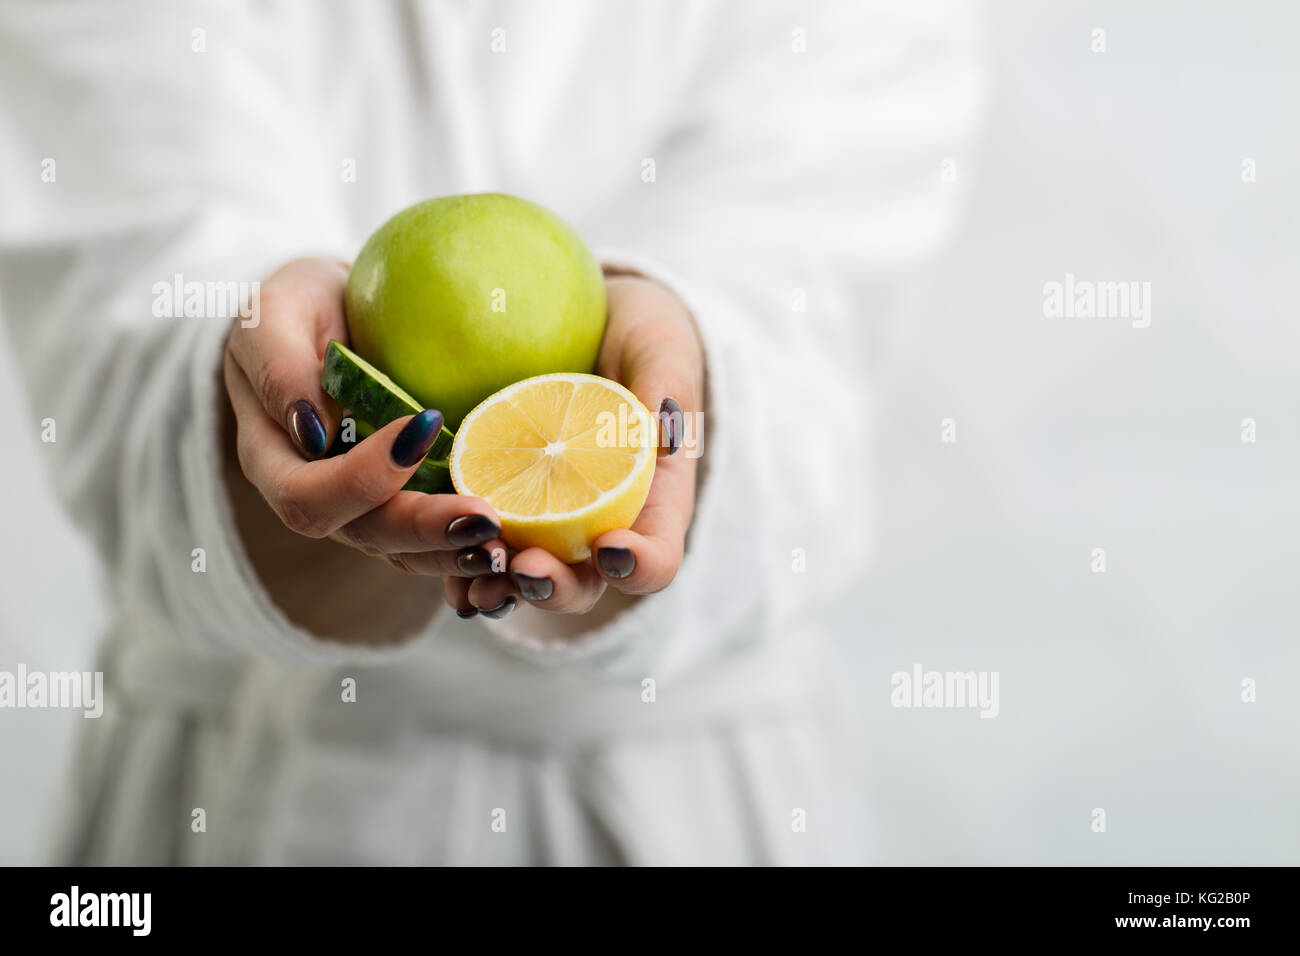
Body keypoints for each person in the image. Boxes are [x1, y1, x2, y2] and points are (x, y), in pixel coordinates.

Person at [0, 0, 977, 864]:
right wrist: (251, 388)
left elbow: (803, 333)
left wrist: (674, 374)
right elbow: (123, 316)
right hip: (228, 785)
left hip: (677, 795)